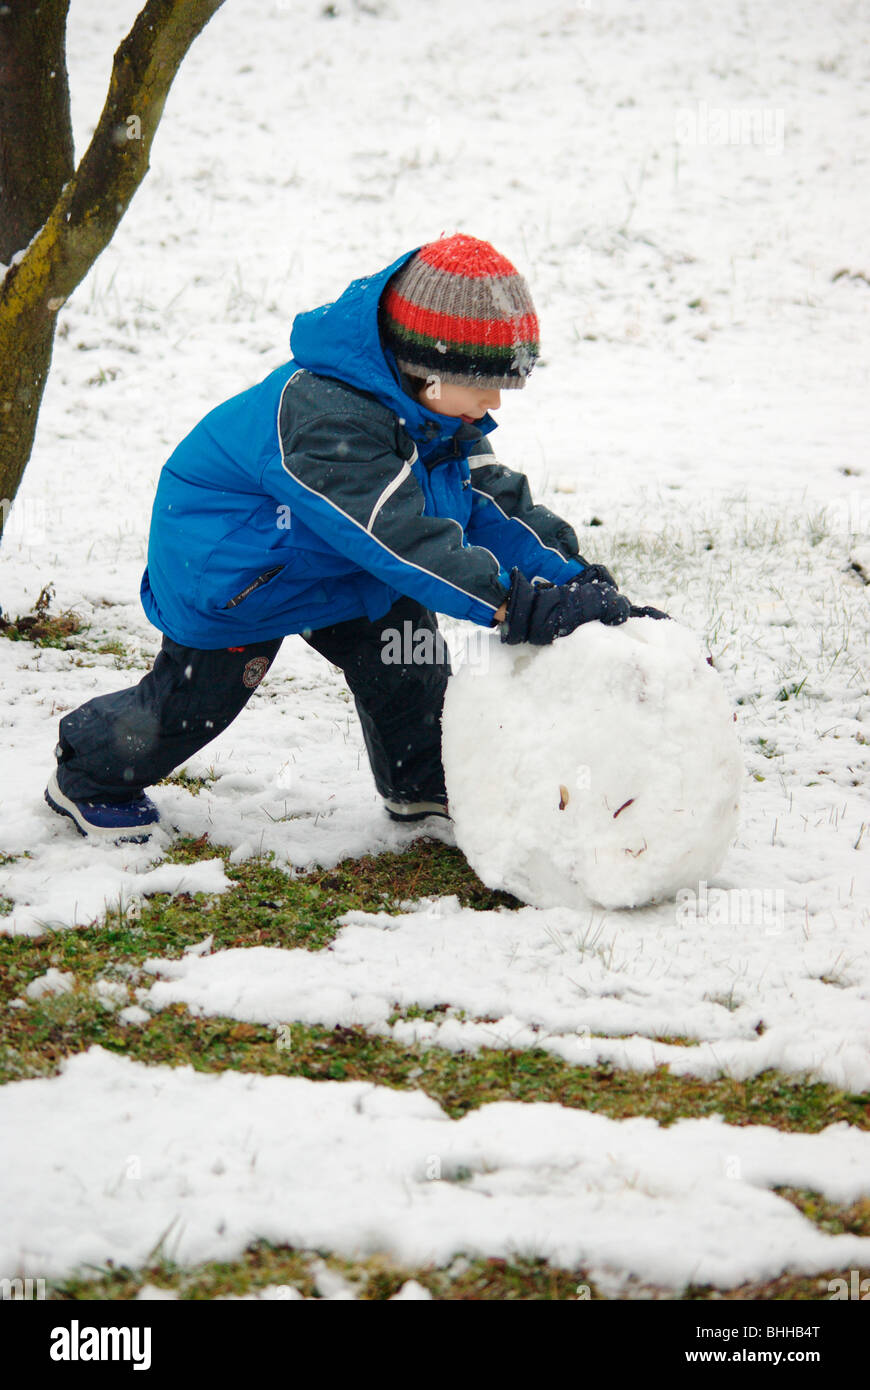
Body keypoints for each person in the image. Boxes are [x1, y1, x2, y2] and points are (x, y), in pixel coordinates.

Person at [45, 233, 665, 844]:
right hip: (240, 568)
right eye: (484, 385)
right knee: (193, 704)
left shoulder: (440, 415)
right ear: (430, 369)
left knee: (409, 663)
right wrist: (514, 604)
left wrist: (572, 578)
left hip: (341, 561)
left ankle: (420, 785)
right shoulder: (326, 417)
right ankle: (91, 775)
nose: (494, 402)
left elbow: (487, 503)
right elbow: (405, 539)